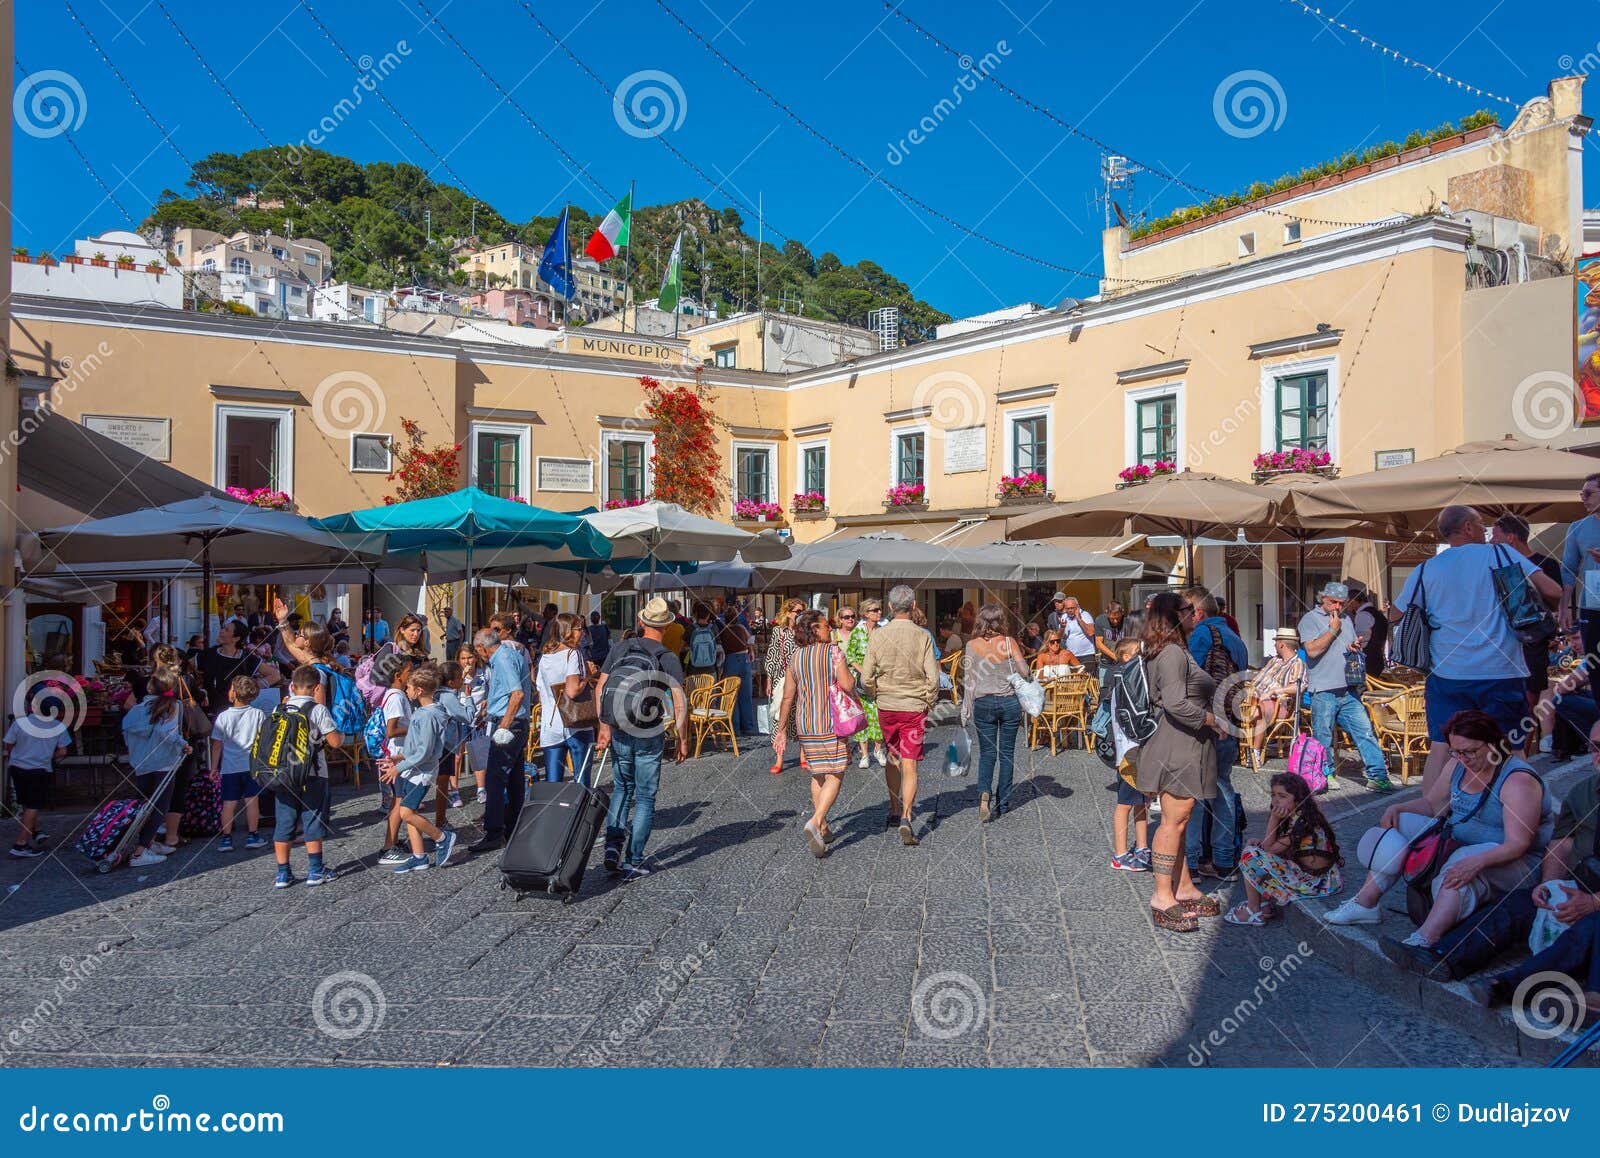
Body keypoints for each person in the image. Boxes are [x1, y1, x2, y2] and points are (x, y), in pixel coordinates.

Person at [1328, 710, 1551, 951]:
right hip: (1461, 841)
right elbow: (1434, 805)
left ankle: (1426, 938)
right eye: (1456, 751)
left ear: (1493, 744)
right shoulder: (1457, 764)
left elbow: (1518, 844)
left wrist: (1477, 862)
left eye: (1470, 752)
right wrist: (1399, 807)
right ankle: (1366, 903)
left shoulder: (1517, 780)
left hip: (1516, 863)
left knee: (1463, 860)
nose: (1463, 758)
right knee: (1399, 825)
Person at [1392, 505, 1562, 788]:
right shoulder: (1500, 553)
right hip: (1501, 671)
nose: (1485, 531)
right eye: (1481, 524)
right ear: (1468, 528)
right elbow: (1553, 591)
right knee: (1511, 747)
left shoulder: (1426, 568)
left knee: (1442, 749)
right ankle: (1517, 810)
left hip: (1447, 672)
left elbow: (1396, 614)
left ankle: (1432, 818)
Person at [1138, 591, 1224, 933]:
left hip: (1183, 742)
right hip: (1178, 744)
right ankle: (1162, 896)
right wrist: (1210, 720)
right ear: (1176, 615)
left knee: (1181, 820)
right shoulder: (1173, 652)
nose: (1193, 614)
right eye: (1188, 609)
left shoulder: (1172, 649)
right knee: (1174, 820)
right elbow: (1175, 702)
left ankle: (1184, 887)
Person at [595, 598, 688, 880]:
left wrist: (604, 725)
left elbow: (600, 688)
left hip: (620, 726)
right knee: (645, 796)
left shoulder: (621, 648)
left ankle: (612, 848)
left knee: (622, 788)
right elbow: (679, 701)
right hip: (649, 730)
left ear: (641, 622)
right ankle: (633, 860)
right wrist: (682, 739)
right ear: (668, 625)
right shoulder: (667, 657)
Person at [860, 584, 940, 846]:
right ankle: (906, 817)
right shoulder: (923, 635)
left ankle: (895, 809)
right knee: (910, 762)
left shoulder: (879, 636)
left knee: (893, 756)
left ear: (891, 607)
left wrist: (874, 692)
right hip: (914, 705)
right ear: (914, 605)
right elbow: (933, 676)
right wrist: (928, 700)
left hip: (887, 704)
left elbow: (866, 676)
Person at [773, 609, 855, 857]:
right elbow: (848, 685)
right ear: (815, 630)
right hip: (831, 721)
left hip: (806, 722)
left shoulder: (796, 657)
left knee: (818, 773)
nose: (830, 627)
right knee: (837, 772)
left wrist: (782, 730)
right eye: (825, 624)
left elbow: (788, 696)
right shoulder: (833, 652)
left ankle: (824, 826)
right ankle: (816, 819)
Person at [1299, 580, 1395, 794]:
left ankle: (1378, 777)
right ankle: (1326, 774)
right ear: (1323, 598)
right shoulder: (1310, 620)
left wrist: (1353, 646)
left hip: (1348, 688)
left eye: (1341, 603)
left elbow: (1346, 646)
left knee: (1365, 732)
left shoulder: (1346, 620)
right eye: (1333, 602)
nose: (1337, 607)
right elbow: (1312, 651)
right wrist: (1333, 631)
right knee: (1323, 736)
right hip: (1323, 689)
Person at [1184, 588, 1248, 881]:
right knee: (1222, 787)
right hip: (1231, 720)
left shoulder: (1201, 634)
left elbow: (1191, 681)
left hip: (1207, 723)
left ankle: (1193, 862)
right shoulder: (1237, 639)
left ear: (1197, 613)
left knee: (1195, 792)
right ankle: (1224, 860)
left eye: (1185, 613)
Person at [1225, 772, 1343, 925]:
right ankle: (1262, 904)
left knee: (1250, 856)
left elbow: (1269, 849)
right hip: (1311, 874)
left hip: (1317, 883)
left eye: (1282, 796)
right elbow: (1276, 847)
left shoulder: (1304, 823)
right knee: (1253, 849)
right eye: (1273, 795)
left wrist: (1274, 819)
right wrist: (1260, 844)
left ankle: (1254, 910)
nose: (1276, 800)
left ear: (1298, 799)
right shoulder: (1297, 816)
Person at [269, 665, 345, 889]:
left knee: (284, 822)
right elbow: (335, 742)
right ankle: (315, 870)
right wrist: (338, 733)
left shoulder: (279, 708)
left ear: (292, 686)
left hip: (283, 774)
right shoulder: (317, 709)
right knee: (312, 819)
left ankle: (283, 873)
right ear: (316, 688)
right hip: (313, 773)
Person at [378, 667, 458, 874]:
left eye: (409, 688)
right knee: (409, 813)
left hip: (420, 772)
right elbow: (417, 746)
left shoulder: (427, 715)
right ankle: (419, 856)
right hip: (412, 770)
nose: (407, 691)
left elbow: (424, 752)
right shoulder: (425, 713)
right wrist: (399, 757)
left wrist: (398, 767)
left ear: (419, 690)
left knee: (405, 812)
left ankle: (442, 837)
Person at [1492, 514, 1565, 731]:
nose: (1491, 542)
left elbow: (1554, 601)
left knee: (1528, 704)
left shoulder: (1547, 564)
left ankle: (1520, 756)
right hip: (1504, 642)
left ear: (1511, 538)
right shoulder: (1495, 564)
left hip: (1533, 642)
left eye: (1495, 536)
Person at [962, 603, 1030, 822]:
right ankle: (1004, 800)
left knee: (987, 753)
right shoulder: (1008, 643)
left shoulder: (971, 645)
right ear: (1001, 621)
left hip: (983, 703)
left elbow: (969, 680)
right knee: (1007, 753)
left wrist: (966, 708)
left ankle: (984, 794)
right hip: (1008, 702)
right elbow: (1025, 671)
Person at [469, 625, 531, 854]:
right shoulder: (510, 654)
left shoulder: (502, 659)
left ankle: (494, 832)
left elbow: (517, 694)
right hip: (515, 721)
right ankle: (513, 827)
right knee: (514, 778)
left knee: (495, 780)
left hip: (510, 725)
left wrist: (503, 725)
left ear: (481, 648)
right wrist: (489, 707)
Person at [121, 672, 193, 868]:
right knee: (159, 808)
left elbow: (126, 731)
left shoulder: (136, 709)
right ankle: (140, 851)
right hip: (163, 763)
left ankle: (148, 844)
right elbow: (167, 733)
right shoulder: (170, 707)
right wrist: (184, 744)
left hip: (141, 763)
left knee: (144, 806)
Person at [1104, 637, 1152, 872]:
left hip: (1135, 750)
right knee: (1125, 803)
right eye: (1137, 653)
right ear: (1125, 658)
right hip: (1128, 752)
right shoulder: (1125, 682)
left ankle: (1142, 846)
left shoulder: (1132, 679)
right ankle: (1120, 853)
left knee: (1141, 801)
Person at [4, 694, 70, 858]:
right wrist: (48, 756)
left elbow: (9, 742)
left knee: (26, 802)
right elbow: (63, 751)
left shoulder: (21, 722)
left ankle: (36, 831)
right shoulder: (58, 726)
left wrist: (19, 755)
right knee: (34, 805)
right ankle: (20, 844)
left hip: (17, 766)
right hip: (39, 768)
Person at [209, 675, 268, 852]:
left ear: (233, 693)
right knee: (252, 801)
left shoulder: (223, 717)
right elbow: (263, 740)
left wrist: (213, 768)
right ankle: (253, 835)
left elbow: (217, 745)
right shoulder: (258, 714)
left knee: (228, 803)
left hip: (229, 767)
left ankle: (226, 838)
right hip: (251, 765)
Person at [537, 612, 595, 783]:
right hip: (576, 724)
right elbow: (572, 691)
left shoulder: (545, 657)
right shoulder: (573, 654)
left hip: (550, 726)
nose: (583, 632)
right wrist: (588, 676)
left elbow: (541, 693)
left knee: (552, 783)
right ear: (567, 631)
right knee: (581, 781)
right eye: (579, 628)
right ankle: (580, 810)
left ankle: (554, 810)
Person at [375, 657, 418, 867]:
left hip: (400, 754)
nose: (412, 673)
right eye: (409, 671)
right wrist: (416, 728)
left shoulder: (398, 695)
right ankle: (387, 847)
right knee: (399, 801)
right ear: (397, 676)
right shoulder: (396, 697)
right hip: (396, 755)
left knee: (399, 800)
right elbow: (390, 730)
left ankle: (393, 841)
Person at [1248, 628, 1306, 762]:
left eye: (1276, 642)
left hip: (1280, 703)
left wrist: (1274, 691)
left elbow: (1299, 686)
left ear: (1281, 644)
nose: (1274, 645)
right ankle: (1237, 747)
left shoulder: (1297, 663)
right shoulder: (1275, 660)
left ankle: (1255, 751)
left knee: (1260, 710)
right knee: (1235, 702)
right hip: (1257, 697)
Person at [1561, 472, 1600, 661]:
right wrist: (1565, 609)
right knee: (1594, 667)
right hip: (1591, 606)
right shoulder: (1577, 527)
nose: (1583, 499)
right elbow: (1568, 569)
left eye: (1588, 494)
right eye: (1581, 494)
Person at [843, 601, 887, 769]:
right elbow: (850, 656)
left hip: (879, 680)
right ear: (866, 613)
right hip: (861, 680)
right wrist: (863, 672)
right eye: (874, 610)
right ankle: (864, 754)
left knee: (879, 715)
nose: (878, 612)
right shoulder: (858, 632)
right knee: (863, 717)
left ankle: (878, 749)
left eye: (879, 609)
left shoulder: (883, 632)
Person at [764, 600, 805, 775]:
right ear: (788, 613)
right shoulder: (778, 631)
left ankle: (804, 755)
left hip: (802, 679)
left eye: (802, 611)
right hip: (782, 678)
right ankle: (779, 758)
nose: (800, 614)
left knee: (802, 716)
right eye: (797, 611)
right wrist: (769, 680)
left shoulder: (804, 632)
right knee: (780, 717)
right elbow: (772, 656)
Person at [434, 660, 472, 814]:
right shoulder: (448, 697)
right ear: (450, 682)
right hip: (446, 744)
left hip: (440, 743)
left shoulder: (439, 694)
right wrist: (468, 698)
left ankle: (441, 819)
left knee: (441, 781)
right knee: (442, 782)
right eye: (459, 677)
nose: (462, 679)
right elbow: (467, 717)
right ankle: (440, 820)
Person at [718, 612, 757, 737]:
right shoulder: (741, 628)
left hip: (730, 661)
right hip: (744, 658)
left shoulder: (723, 630)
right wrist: (751, 651)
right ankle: (748, 726)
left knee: (731, 695)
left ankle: (734, 727)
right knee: (746, 695)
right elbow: (751, 640)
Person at [458, 645, 488, 805]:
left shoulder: (484, 674)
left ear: (475, 658)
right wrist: (459, 680)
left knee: (478, 754)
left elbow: (490, 693)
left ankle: (481, 789)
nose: (466, 661)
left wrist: (486, 704)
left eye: (469, 657)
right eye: (463, 658)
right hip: (461, 718)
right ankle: (454, 791)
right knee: (457, 756)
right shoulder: (456, 676)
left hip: (479, 718)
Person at [1344, 580, 1389, 679]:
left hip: (1367, 662)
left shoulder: (1362, 615)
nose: (1346, 606)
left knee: (1363, 691)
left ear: (1354, 601)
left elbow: (1361, 641)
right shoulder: (1377, 613)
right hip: (1377, 659)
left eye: (1347, 603)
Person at [1055, 595, 1098, 672]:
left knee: (1088, 680)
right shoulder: (1064, 617)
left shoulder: (1085, 615)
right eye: (1068, 608)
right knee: (1074, 681)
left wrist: (1079, 619)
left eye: (1072, 608)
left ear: (1077, 607)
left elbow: (1091, 632)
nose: (1070, 610)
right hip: (1072, 656)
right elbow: (1059, 637)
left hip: (1086, 655)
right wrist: (1062, 628)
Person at [684, 604, 724, 679]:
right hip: (711, 669)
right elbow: (719, 649)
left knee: (695, 691)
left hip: (693, 670)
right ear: (708, 615)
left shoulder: (690, 628)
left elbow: (681, 648)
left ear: (696, 614)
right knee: (710, 690)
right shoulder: (713, 628)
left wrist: (690, 648)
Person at [1092, 601, 1127, 669]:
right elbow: (1098, 643)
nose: (1115, 621)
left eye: (1118, 618)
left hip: (1124, 661)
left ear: (1122, 613)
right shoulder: (1100, 620)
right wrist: (1114, 656)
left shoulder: (1127, 621)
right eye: (1112, 619)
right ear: (1107, 613)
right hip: (1106, 662)